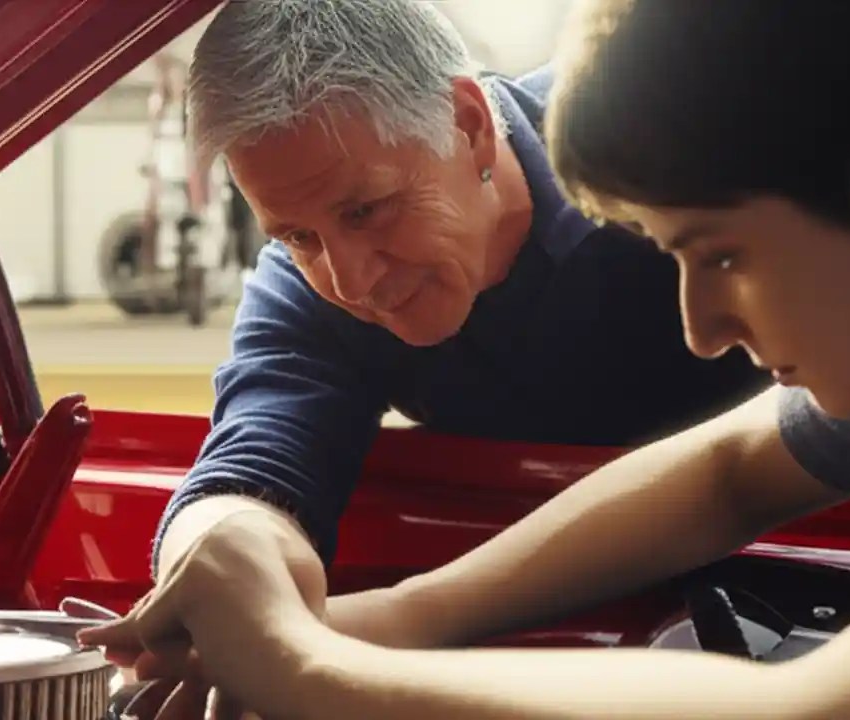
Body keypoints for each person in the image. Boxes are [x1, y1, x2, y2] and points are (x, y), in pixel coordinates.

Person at [81, 0, 850, 717]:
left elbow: (831, 710)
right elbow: (722, 469)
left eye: (721, 254)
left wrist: (310, 669)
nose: (699, 328)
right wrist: (382, 615)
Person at [148, 0, 767, 667]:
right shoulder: (311, 288)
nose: (349, 281)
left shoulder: (669, 131)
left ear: (469, 126)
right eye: (298, 237)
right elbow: (254, 460)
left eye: (366, 211)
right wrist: (219, 542)